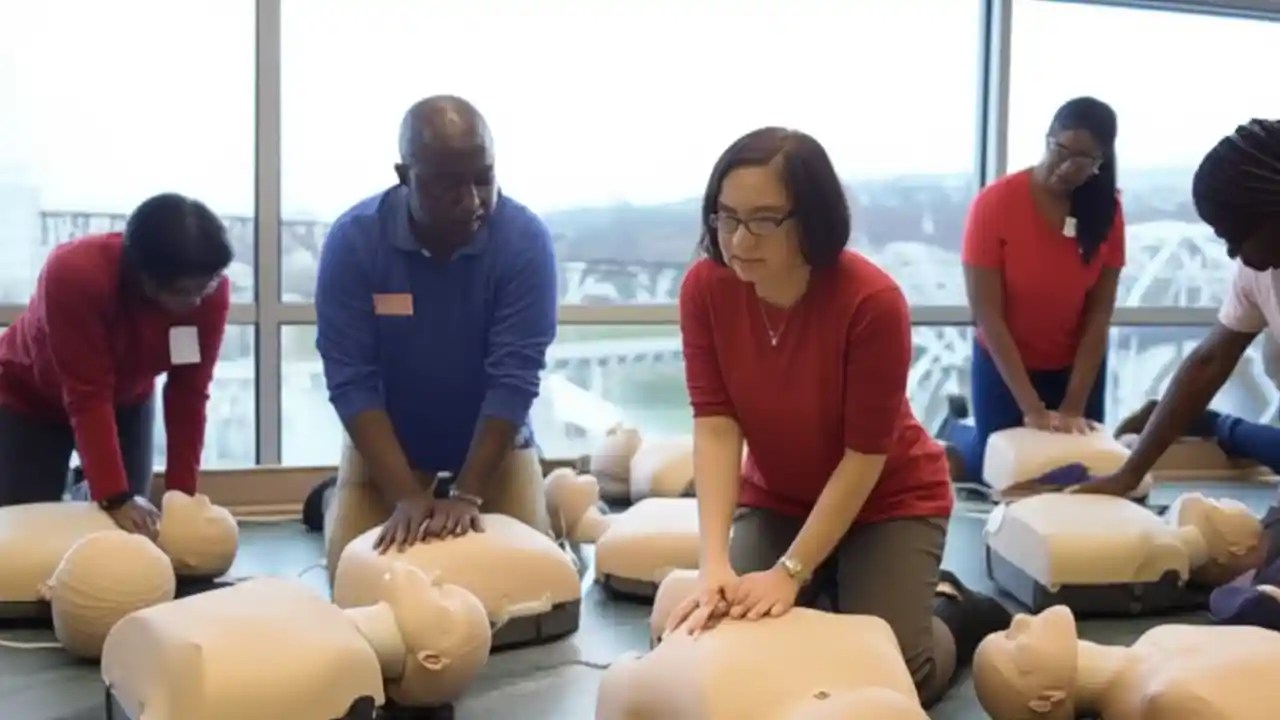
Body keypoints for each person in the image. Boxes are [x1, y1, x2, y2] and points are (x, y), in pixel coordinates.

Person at [663, 127, 1011, 707]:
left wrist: (792, 570)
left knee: (894, 676)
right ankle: (831, 593)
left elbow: (865, 454)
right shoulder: (705, 288)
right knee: (728, 636)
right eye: (725, 217)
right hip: (781, 495)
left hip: (889, 497)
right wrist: (714, 561)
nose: (738, 239)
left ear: (813, 220)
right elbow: (716, 423)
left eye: (764, 219)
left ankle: (955, 609)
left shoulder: (871, 301)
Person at [316, 95, 556, 572]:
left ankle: (549, 500)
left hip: (494, 444)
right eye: (448, 183)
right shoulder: (354, 241)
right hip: (392, 441)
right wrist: (404, 495)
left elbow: (514, 378)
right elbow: (350, 379)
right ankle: (331, 498)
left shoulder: (524, 241)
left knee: (530, 572)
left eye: (483, 178)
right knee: (353, 570)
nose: (470, 199)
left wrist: (468, 494)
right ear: (405, 176)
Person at [1073, 118, 1280, 570]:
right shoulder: (1258, 273)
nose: (1230, 253)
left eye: (1236, 235)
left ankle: (1218, 425)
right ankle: (1213, 423)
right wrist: (1128, 474)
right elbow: (1210, 360)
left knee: (1251, 582)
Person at [0, 193, 233, 537]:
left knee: (126, 529)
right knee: (24, 530)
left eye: (206, 286)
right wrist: (114, 496)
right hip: (29, 396)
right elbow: (87, 394)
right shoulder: (74, 274)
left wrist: (181, 498)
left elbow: (189, 395)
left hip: (128, 398)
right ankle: (81, 487)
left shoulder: (208, 293)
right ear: (146, 276)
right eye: (185, 291)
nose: (198, 300)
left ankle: (87, 486)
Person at [938, 97, 1125, 485]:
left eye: (1085, 158)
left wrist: (1073, 404)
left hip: (1075, 363)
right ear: (1047, 139)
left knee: (1075, 471)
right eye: (1061, 150)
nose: (1068, 165)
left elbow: (1099, 313)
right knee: (999, 468)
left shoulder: (1107, 210)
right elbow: (987, 312)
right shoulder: (995, 204)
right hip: (1005, 360)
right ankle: (956, 430)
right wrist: (1032, 407)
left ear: (1101, 161)